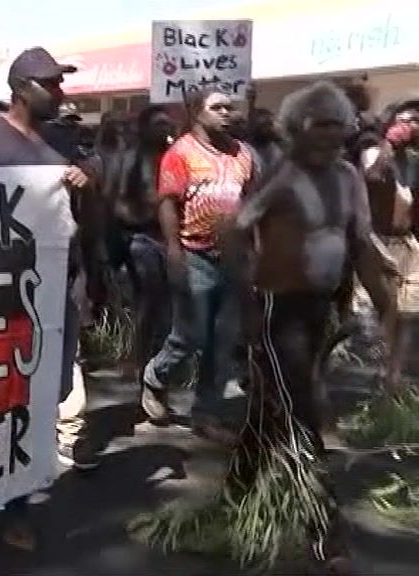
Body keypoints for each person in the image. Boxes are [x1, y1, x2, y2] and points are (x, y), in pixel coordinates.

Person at [224, 81, 397, 575]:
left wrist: (384, 310)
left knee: (273, 404)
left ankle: (237, 490)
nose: (329, 135)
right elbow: (234, 236)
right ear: (296, 129)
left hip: (320, 310)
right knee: (301, 416)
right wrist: (249, 305)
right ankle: (326, 534)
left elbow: (361, 244)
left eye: (336, 125)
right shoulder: (279, 177)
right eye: (318, 125)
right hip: (279, 311)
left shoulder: (347, 178)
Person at [0, 46, 99, 551]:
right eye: (52, 84)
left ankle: (25, 479)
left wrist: (87, 181)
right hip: (7, 291)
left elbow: (89, 185)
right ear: (22, 88)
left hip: (60, 283)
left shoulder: (59, 136)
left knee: (48, 392)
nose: (60, 92)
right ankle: (12, 506)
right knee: (9, 397)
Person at [139, 88, 256, 446]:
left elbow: (252, 202)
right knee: (190, 335)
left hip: (233, 262)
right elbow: (167, 204)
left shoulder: (243, 155)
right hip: (194, 257)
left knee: (222, 343)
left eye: (229, 107)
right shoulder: (181, 154)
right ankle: (157, 376)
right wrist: (173, 250)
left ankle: (206, 415)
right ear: (196, 112)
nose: (226, 113)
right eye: (217, 107)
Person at [104, 104, 176, 374]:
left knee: (167, 305)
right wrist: (145, 216)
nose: (165, 129)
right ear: (145, 128)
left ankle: (159, 364)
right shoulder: (132, 158)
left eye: (167, 124)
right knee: (148, 302)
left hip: (169, 241)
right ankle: (138, 358)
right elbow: (117, 201)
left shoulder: (174, 156)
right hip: (142, 241)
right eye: (158, 124)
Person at [359, 104, 419, 385]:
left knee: (409, 312)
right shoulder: (375, 152)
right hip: (377, 242)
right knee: (381, 312)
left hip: (406, 243)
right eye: (410, 121)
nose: (414, 127)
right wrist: (391, 143)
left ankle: (393, 378)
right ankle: (371, 376)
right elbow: (372, 177)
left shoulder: (413, 160)